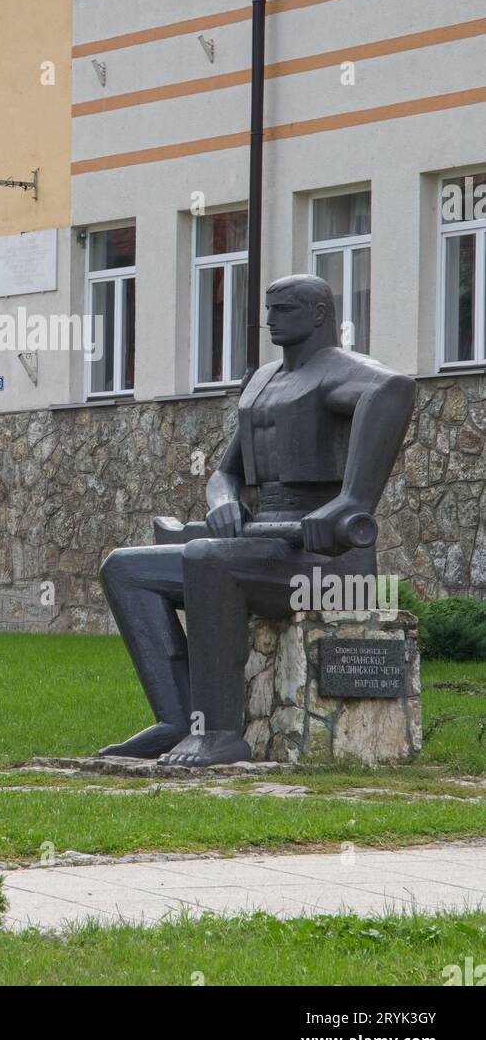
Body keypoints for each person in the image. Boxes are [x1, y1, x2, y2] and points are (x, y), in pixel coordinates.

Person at [98, 274, 415, 766]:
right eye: (268, 308)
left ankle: (221, 733)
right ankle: (179, 720)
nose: (269, 319)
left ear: (318, 314)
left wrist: (352, 501)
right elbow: (225, 473)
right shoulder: (264, 380)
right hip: (262, 545)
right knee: (124, 568)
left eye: (284, 309)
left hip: (328, 565)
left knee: (208, 559)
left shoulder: (340, 372)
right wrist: (223, 500)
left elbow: (394, 390)